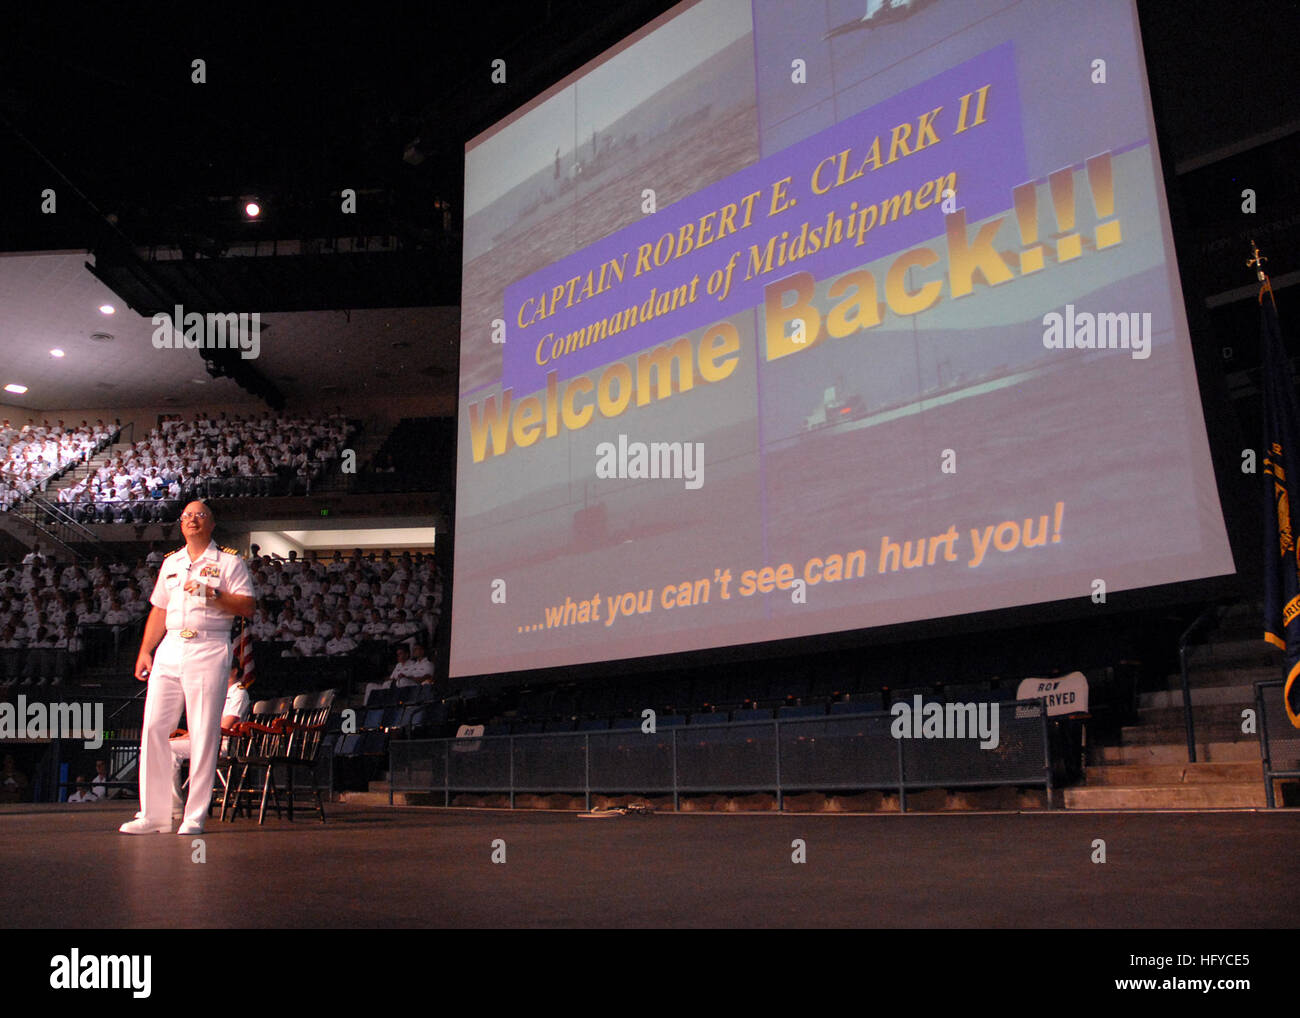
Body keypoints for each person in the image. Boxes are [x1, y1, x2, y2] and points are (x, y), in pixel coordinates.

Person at [119, 501, 254, 836]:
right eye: (187, 516)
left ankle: (194, 816)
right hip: (171, 645)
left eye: (199, 515)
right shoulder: (171, 563)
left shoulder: (229, 561)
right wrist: (146, 650)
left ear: (211, 523)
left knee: (204, 731)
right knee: (154, 727)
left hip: (209, 644)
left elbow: (247, 606)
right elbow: (159, 610)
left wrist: (212, 594)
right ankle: (154, 814)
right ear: (181, 524)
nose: (192, 519)